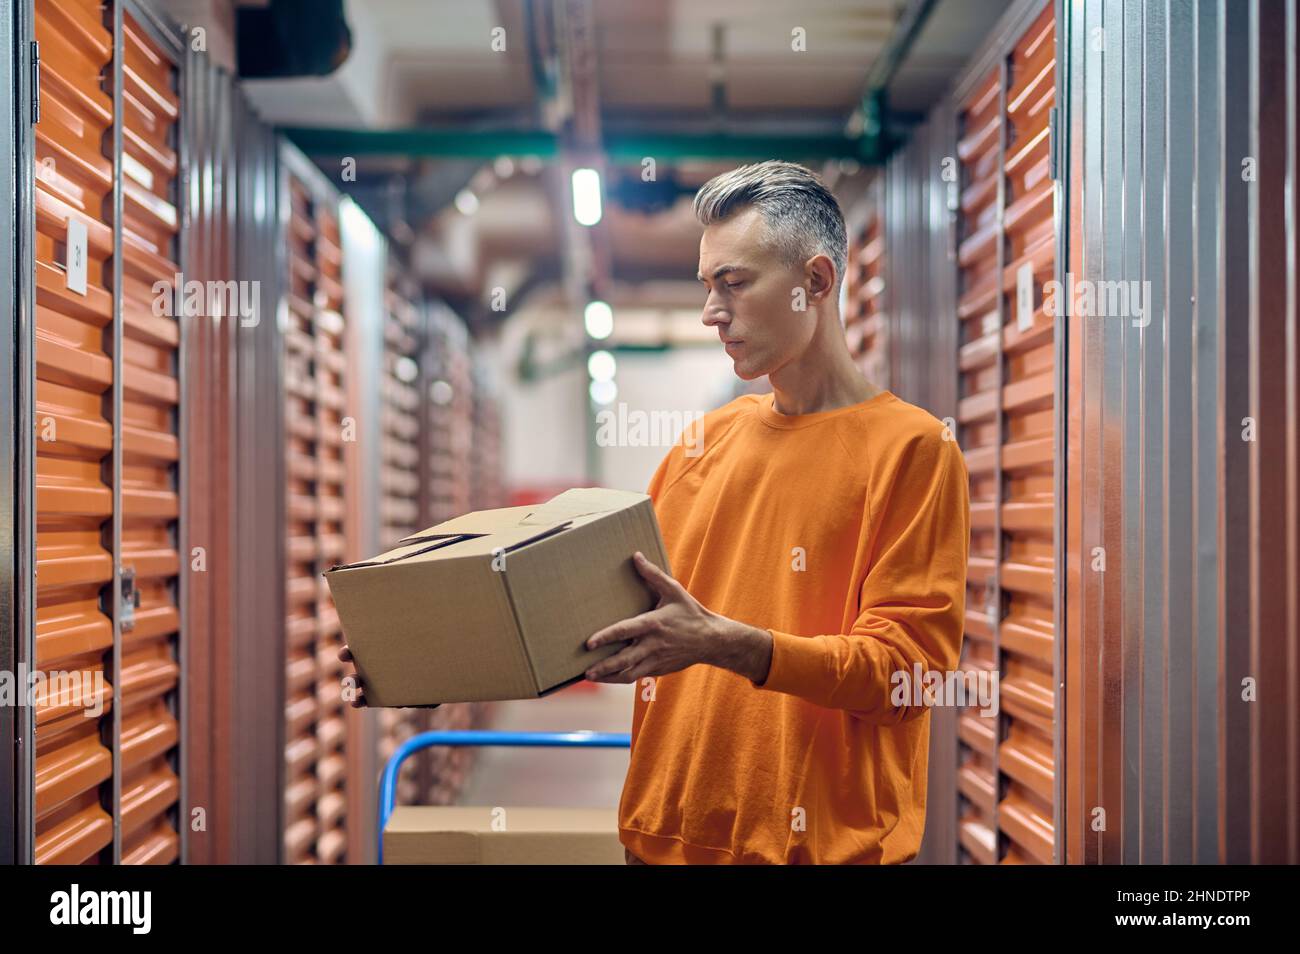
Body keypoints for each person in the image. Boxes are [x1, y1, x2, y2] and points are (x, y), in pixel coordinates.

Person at [582, 160, 970, 864]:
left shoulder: (911, 449)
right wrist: (433, 666)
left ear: (815, 282)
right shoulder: (706, 442)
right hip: (660, 841)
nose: (711, 312)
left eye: (733, 283)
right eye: (708, 286)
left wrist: (735, 646)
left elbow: (908, 674)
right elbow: (619, 616)